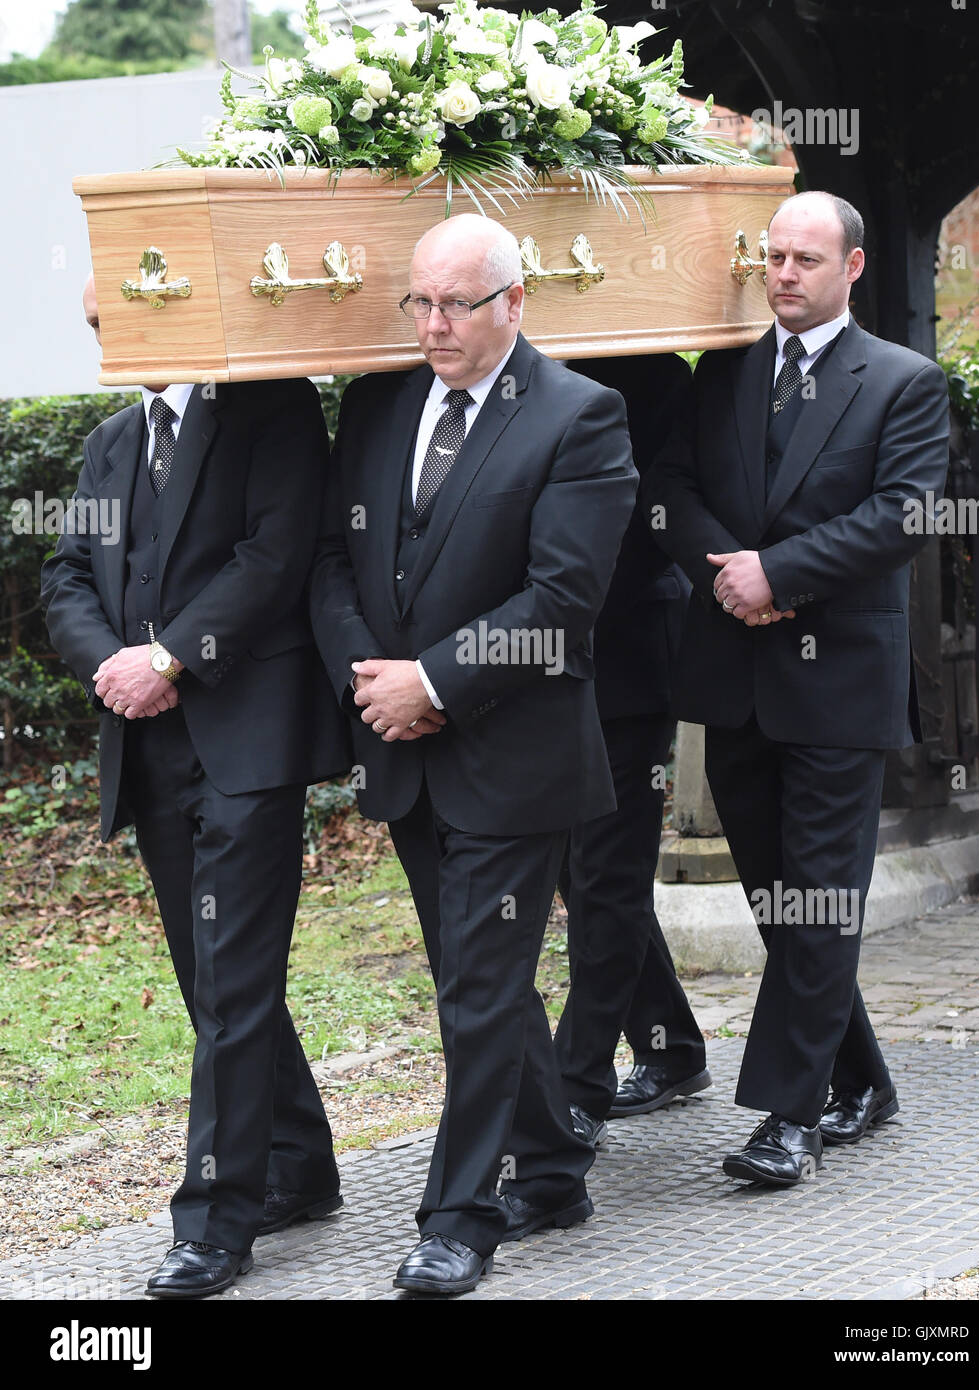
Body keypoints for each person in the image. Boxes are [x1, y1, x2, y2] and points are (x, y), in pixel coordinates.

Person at [310, 213, 637, 1294]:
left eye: (456, 303)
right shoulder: (374, 405)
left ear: (514, 301)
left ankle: (459, 1216)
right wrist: (375, 680)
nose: (433, 324)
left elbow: (563, 599)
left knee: (481, 985)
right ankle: (550, 1166)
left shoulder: (579, 415)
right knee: (474, 977)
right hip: (402, 745)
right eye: (419, 302)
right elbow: (333, 560)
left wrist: (435, 682)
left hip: (517, 756)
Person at [40, 277, 351, 1297]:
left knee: (229, 980)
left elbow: (273, 557)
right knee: (210, 979)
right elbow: (66, 580)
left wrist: (169, 657)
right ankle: (300, 1163)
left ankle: (216, 1221)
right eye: (95, 325)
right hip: (148, 744)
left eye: (118, 319)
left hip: (246, 743)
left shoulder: (270, 405)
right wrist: (115, 669)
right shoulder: (110, 445)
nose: (106, 339)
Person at [644, 191, 948, 1186]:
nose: (781, 273)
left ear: (850, 269)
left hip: (839, 685)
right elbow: (673, 489)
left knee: (818, 897)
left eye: (804, 259)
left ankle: (790, 1114)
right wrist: (723, 573)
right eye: (771, 256)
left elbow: (901, 515)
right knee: (790, 906)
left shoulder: (902, 383)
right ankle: (859, 1075)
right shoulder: (720, 373)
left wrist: (778, 573)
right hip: (733, 676)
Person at [555, 354, 711, 1146]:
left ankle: (570, 1081)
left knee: (606, 874)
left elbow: (650, 513)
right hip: (533, 665)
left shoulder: (647, 378)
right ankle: (671, 1046)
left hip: (623, 658)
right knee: (578, 874)